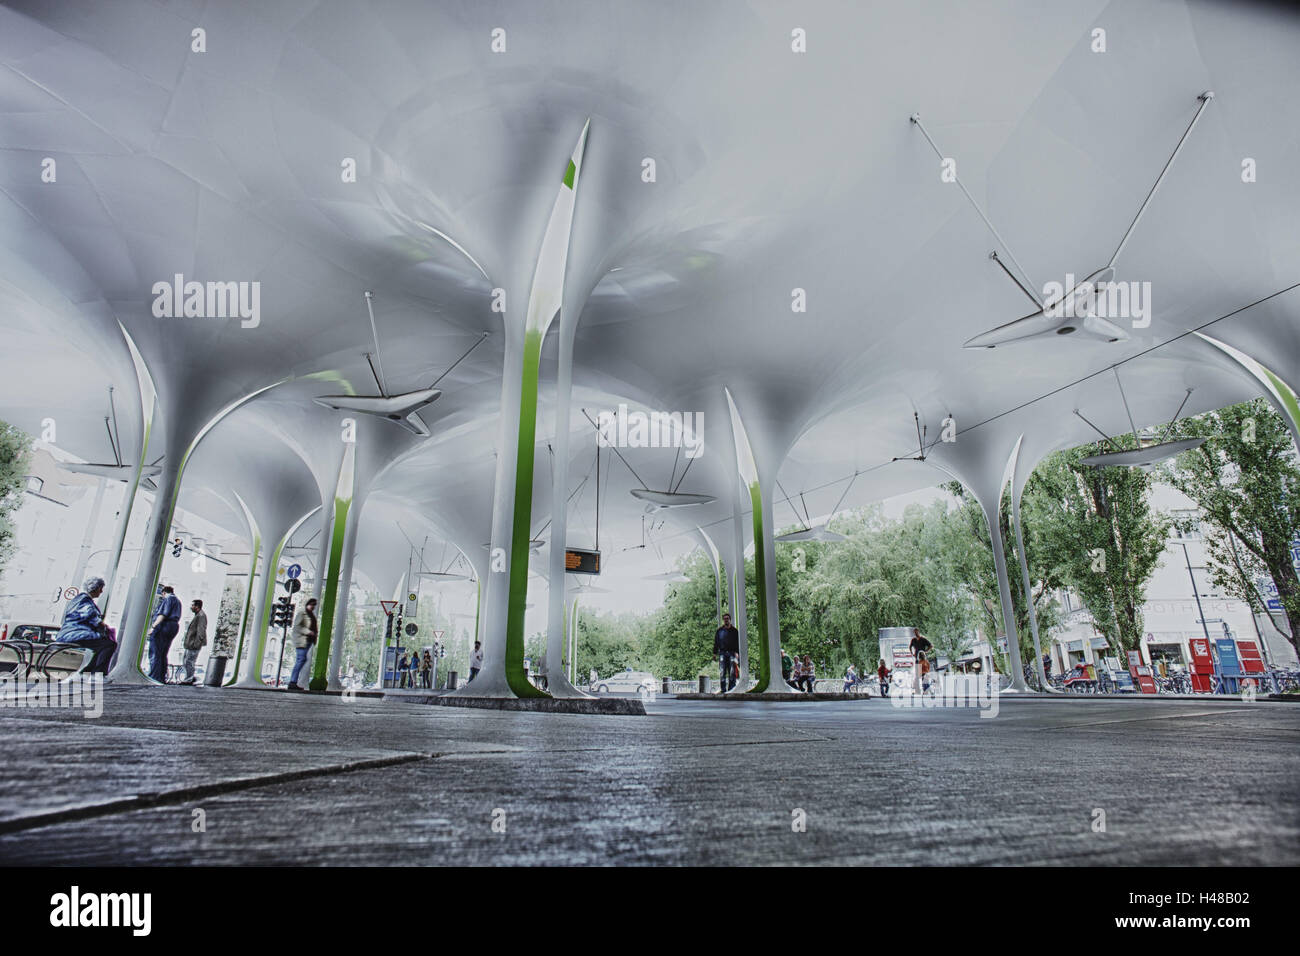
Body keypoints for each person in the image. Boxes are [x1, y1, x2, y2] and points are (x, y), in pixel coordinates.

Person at [52, 576, 116, 674]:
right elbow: (89, 613)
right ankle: (98, 674)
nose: (101, 591)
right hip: (75, 634)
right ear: (95, 588)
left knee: (101, 646)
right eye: (101, 588)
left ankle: (88, 672)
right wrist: (101, 624)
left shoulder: (79, 599)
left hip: (72, 633)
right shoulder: (84, 600)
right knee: (109, 645)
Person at [147, 585, 183, 683]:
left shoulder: (168, 599)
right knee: (163, 653)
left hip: (164, 626)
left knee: (156, 652)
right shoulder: (178, 601)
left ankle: (154, 676)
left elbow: (163, 614)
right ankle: (161, 677)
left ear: (164, 593)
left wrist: (153, 627)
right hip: (173, 627)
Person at [286, 598, 317, 691]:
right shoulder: (302, 614)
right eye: (312, 604)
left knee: (302, 660)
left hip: (308, 641)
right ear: (307, 604)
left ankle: (294, 682)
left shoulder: (311, 615)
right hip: (301, 640)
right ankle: (292, 682)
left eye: (314, 605)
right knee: (301, 659)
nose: (313, 606)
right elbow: (297, 627)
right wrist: (309, 632)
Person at [179, 598, 207, 684]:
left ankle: (189, 679)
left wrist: (196, 644)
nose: (191, 607)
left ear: (197, 606)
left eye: (192, 605)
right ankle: (189, 678)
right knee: (186, 661)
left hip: (193, 644)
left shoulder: (201, 616)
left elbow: (201, 631)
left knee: (189, 661)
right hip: (191, 644)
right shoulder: (198, 615)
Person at [713, 612, 740, 693]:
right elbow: (716, 642)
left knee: (732, 672)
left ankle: (731, 689)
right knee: (722, 672)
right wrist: (714, 653)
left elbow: (737, 642)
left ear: (730, 620)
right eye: (724, 619)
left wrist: (737, 652)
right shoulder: (719, 631)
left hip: (732, 653)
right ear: (723, 620)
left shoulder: (734, 631)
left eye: (727, 619)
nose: (726, 620)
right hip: (722, 653)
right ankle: (723, 690)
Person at [909, 628, 933, 693]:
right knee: (918, 675)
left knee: (924, 674)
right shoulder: (913, 640)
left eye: (916, 632)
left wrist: (926, 651)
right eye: (914, 632)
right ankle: (918, 689)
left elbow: (931, 645)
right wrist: (912, 653)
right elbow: (910, 647)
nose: (915, 633)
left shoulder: (923, 639)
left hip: (923, 658)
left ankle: (926, 688)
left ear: (918, 632)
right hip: (917, 659)